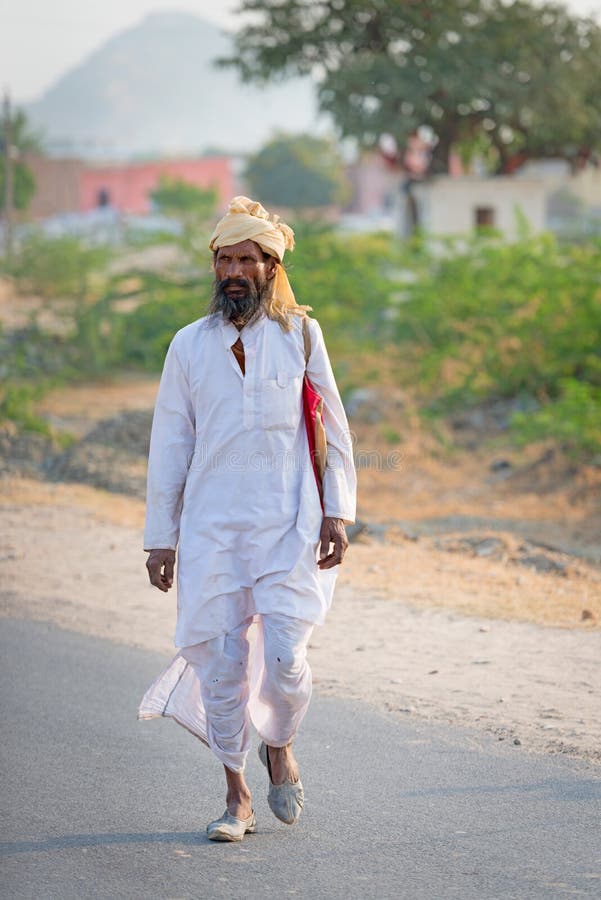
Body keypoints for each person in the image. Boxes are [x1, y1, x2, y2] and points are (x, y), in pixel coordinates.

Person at [138, 196, 357, 842]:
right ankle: (236, 797)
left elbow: (333, 427)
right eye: (224, 260)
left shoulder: (301, 336)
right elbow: (170, 443)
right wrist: (161, 539)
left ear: (271, 268)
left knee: (287, 661)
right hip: (211, 531)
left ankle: (278, 744)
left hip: (288, 526)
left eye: (247, 260)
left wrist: (338, 512)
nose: (233, 272)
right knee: (222, 667)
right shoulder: (187, 345)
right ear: (214, 268)